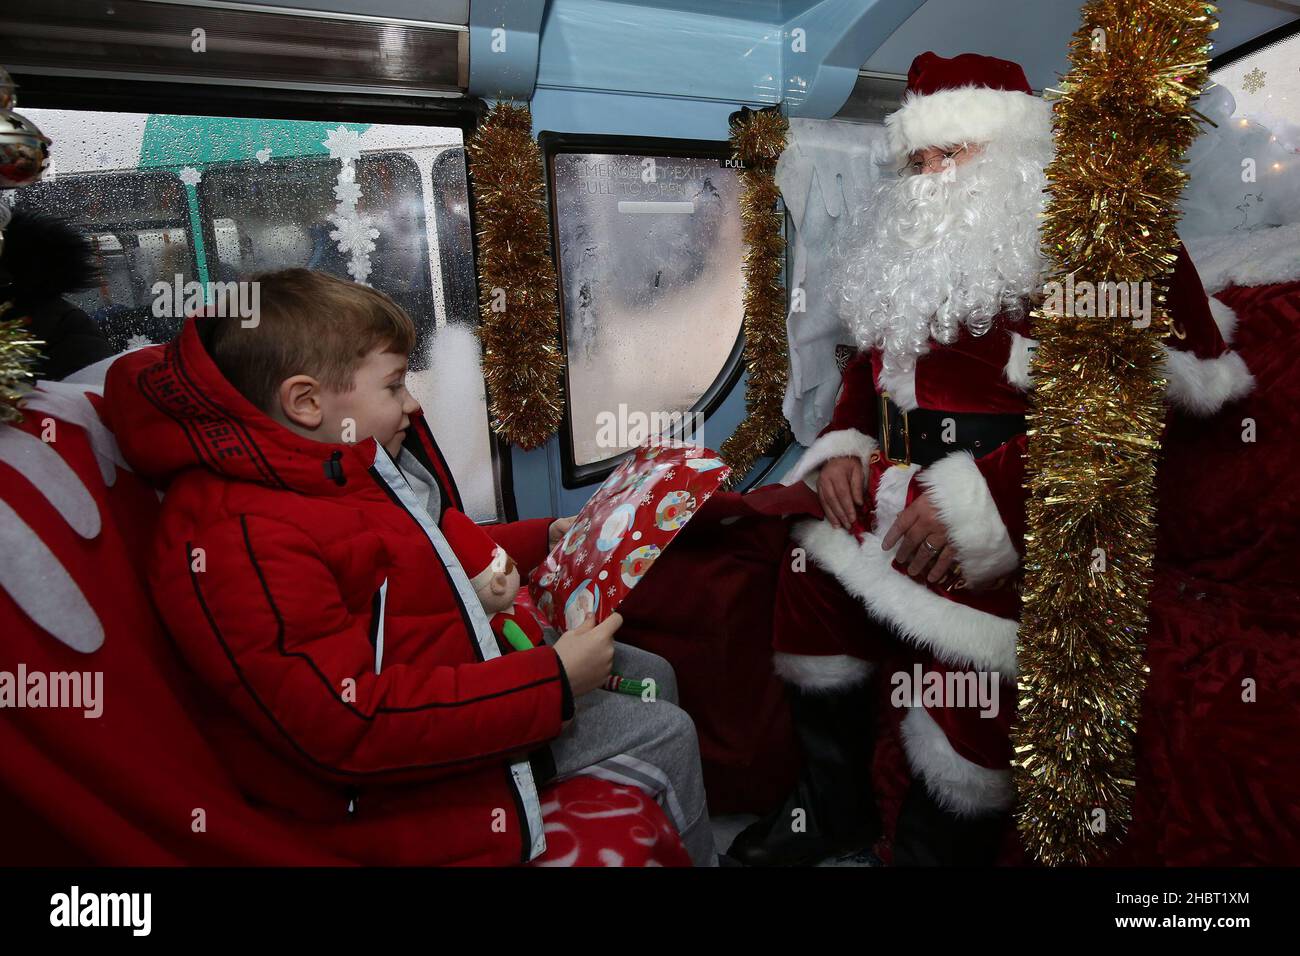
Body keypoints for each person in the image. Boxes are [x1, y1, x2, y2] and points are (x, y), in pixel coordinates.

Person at [728, 51, 1253, 866]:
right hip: (892, 479)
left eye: (955, 152)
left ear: (1015, 152)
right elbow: (871, 370)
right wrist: (842, 446)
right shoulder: (911, 252)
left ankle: (941, 847)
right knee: (800, 576)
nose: (933, 176)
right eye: (920, 158)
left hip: (1026, 505)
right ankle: (833, 808)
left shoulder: (1092, 243)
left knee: (970, 675)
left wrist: (988, 510)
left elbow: (1118, 419)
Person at [100, 268, 715, 866]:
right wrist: (551, 680)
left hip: (447, 675)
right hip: (391, 793)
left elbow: (425, 550)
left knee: (649, 668)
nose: (411, 403)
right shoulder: (240, 537)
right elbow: (348, 724)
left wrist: (540, 540)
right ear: (306, 401)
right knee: (666, 732)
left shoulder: (325, 469)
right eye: (393, 385)